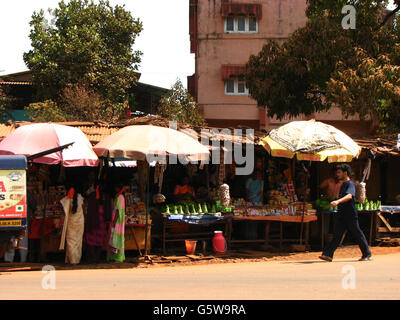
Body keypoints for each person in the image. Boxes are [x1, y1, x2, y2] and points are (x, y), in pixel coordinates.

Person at [319, 164, 372, 262]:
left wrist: (337, 201)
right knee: (337, 234)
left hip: (350, 214)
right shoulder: (343, 184)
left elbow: (349, 196)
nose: (337, 174)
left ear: (345, 173)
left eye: (339, 172)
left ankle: (367, 253)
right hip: (342, 214)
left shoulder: (349, 184)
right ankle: (328, 254)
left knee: (357, 233)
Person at [60, 186, 85, 265]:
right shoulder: (80, 198)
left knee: (71, 241)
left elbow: (62, 205)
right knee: (78, 241)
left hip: (71, 222)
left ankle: (72, 259)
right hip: (80, 222)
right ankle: (76, 259)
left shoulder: (67, 200)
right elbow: (83, 208)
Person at [83, 183, 107, 264]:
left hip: (93, 222)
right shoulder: (104, 197)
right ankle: (96, 258)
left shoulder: (92, 196)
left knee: (91, 241)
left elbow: (89, 210)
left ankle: (92, 258)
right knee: (99, 241)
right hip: (101, 223)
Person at [107, 184, 126, 263]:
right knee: (113, 238)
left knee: (115, 238)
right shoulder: (118, 197)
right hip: (116, 220)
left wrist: (114, 221)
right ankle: (114, 256)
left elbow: (118, 211)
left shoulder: (120, 197)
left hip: (117, 221)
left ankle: (118, 257)